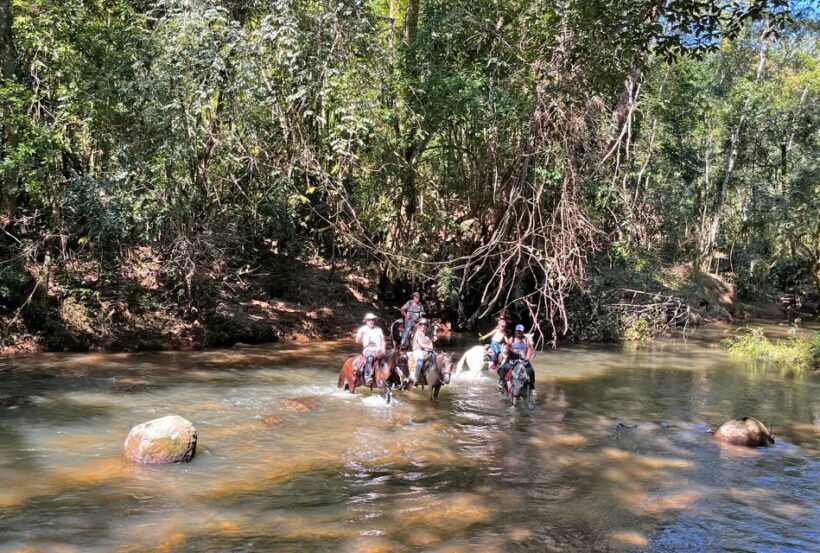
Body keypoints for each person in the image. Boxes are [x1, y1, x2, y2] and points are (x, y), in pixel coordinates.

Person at [498, 324, 535, 392]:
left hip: (523, 359)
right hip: (512, 359)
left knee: (531, 370)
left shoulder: (526, 339)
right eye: (518, 331)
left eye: (520, 331)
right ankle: (501, 384)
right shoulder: (512, 338)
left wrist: (527, 357)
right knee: (503, 368)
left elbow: (529, 349)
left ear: (522, 332)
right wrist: (512, 350)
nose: (519, 333)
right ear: (515, 331)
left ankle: (532, 388)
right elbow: (507, 346)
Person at [356, 313, 385, 386]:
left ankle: (394, 378)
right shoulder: (362, 329)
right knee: (370, 358)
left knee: (390, 358)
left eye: (372, 320)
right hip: (368, 349)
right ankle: (367, 376)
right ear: (366, 321)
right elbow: (357, 340)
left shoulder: (378, 329)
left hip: (379, 349)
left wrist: (383, 349)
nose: (371, 321)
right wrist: (365, 344)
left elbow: (383, 340)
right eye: (369, 320)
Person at [411, 318, 437, 385]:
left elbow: (431, 343)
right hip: (417, 350)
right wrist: (427, 347)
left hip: (424, 350)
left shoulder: (425, 335)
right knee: (420, 360)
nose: (424, 326)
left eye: (425, 325)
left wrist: (430, 347)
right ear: (419, 325)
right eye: (422, 325)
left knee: (434, 355)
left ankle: (433, 373)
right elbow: (421, 344)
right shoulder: (418, 333)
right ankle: (415, 379)